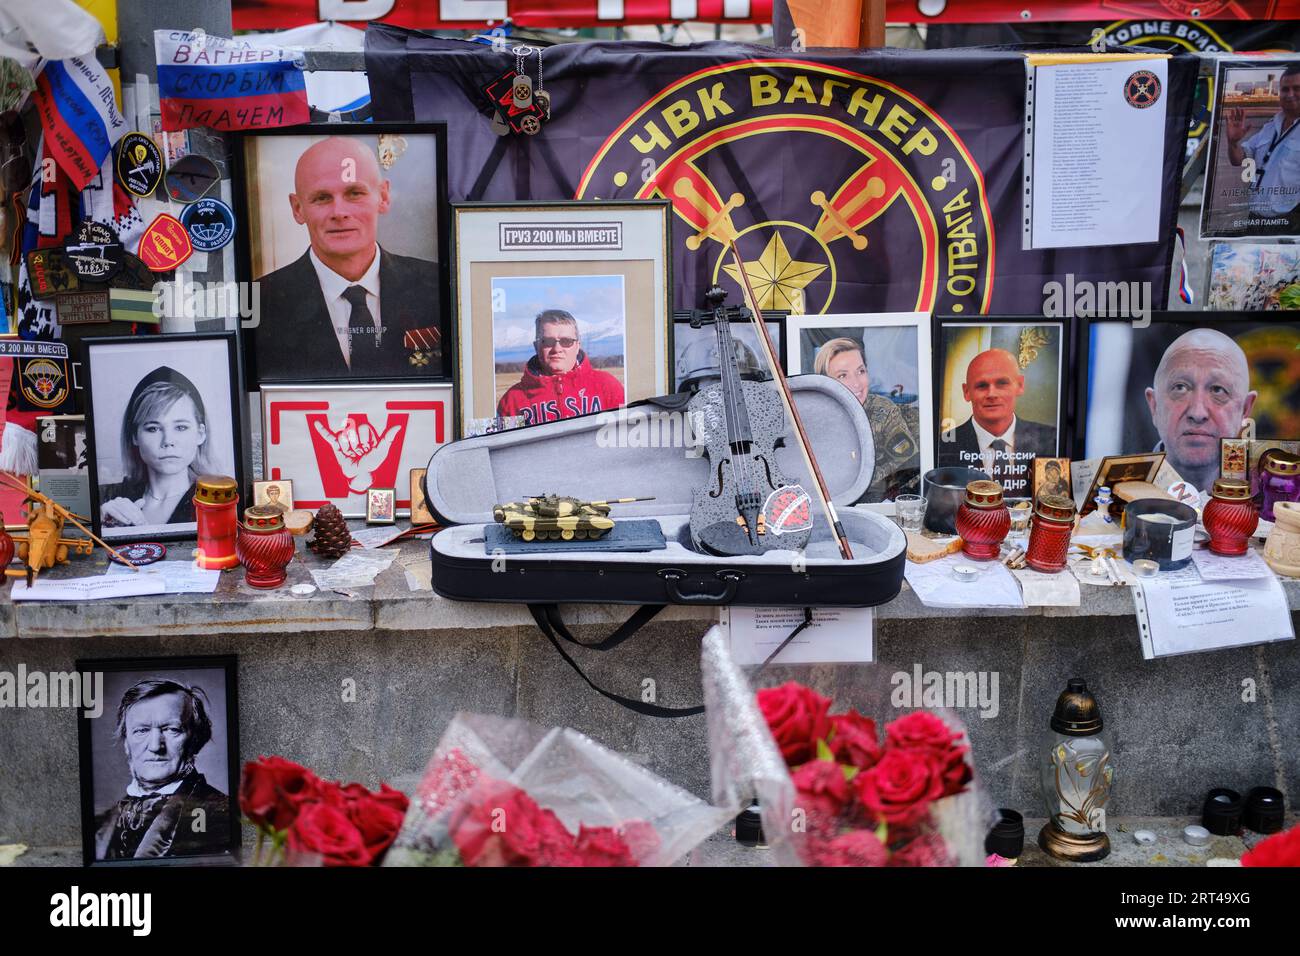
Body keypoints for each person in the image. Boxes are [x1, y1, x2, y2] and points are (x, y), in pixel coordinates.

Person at [254, 136, 440, 380]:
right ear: (298, 208)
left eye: (354, 193)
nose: (339, 212)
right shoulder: (259, 302)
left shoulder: (438, 284)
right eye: (322, 198)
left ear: (383, 197)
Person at [94, 679, 230, 861]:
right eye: (141, 731)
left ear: (196, 739)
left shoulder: (223, 814)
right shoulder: (102, 822)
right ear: (126, 743)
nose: (155, 746)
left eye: (172, 729)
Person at [99, 368, 216, 529]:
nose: (168, 441)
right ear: (134, 436)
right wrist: (102, 528)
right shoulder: (105, 497)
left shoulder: (219, 500)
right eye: (153, 428)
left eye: (181, 427)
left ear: (200, 434)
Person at [1145, 328, 1257, 492]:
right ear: (1154, 406)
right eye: (1180, 388)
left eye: (1218, 390)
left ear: (1245, 409)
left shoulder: (1277, 500)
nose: (1198, 413)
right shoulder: (1109, 499)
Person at [813, 337, 919, 500]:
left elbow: (904, 461)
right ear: (824, 382)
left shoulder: (883, 410)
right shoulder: (812, 419)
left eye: (860, 371)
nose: (856, 383)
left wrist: (859, 484)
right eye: (843, 375)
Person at [941, 348, 1056, 494]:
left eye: (1002, 383)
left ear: (1020, 385)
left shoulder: (1050, 440)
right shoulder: (944, 446)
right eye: (982, 385)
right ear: (966, 392)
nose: (992, 394)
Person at [496, 310, 625, 425]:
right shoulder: (512, 400)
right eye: (548, 342)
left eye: (566, 341)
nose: (557, 349)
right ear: (536, 346)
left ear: (577, 346)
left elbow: (625, 435)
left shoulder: (607, 386)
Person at [1224, 64, 1300, 222]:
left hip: (1289, 222)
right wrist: (1233, 143)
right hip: (1256, 219)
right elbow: (1240, 159)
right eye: (1285, 89)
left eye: (1297, 88)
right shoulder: (1270, 127)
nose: (1290, 94)